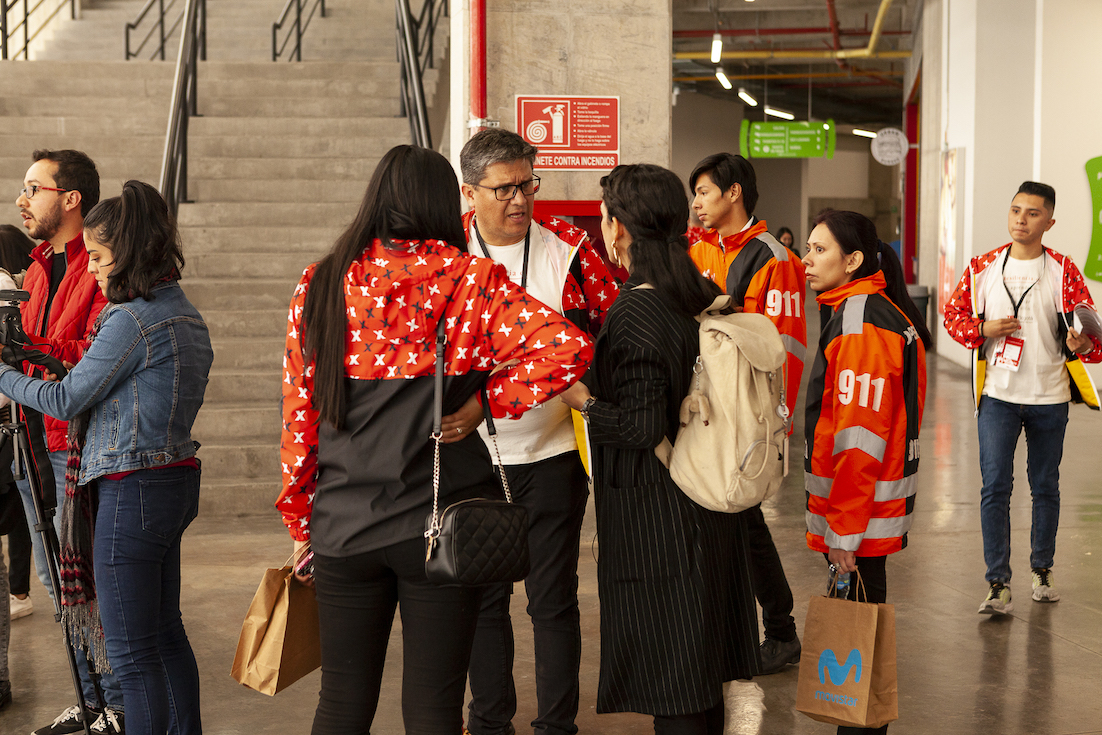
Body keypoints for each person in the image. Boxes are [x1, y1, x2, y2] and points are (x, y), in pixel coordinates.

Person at [276, 144, 592, 735]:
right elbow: (568, 348)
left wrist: (302, 521)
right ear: (447, 203)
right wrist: (484, 403)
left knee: (342, 700)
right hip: (441, 525)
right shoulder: (471, 280)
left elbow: (301, 416)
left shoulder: (320, 284)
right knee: (434, 707)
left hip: (344, 523)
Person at [0, 180, 213, 735]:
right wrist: (32, 354)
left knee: (131, 652)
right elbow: (91, 369)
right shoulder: (180, 312)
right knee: (165, 635)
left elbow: (68, 398)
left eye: (98, 257)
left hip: (132, 488)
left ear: (130, 252)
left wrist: (3, 375)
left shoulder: (132, 319)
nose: (91, 269)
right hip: (169, 481)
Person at [560, 164, 760, 735]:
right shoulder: (690, 293)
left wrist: (582, 400)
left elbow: (643, 425)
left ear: (618, 227)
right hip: (705, 501)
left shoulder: (638, 309)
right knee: (698, 675)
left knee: (674, 680)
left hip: (662, 520)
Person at [456, 128, 618, 735]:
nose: (520, 199)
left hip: (553, 456)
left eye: (528, 183)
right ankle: (490, 721)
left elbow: (603, 338)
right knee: (484, 602)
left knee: (553, 601)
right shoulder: (447, 257)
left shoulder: (568, 253)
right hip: (474, 461)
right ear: (470, 193)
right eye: (504, 189)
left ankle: (557, 726)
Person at [943, 181, 1101, 614]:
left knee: (1045, 487)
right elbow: (952, 315)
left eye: (1032, 213)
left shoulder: (1063, 270)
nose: (1020, 219)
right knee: (995, 487)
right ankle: (998, 582)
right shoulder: (984, 267)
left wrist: (1082, 344)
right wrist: (982, 330)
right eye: (1015, 210)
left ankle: (1042, 568)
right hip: (997, 395)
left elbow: (1093, 336)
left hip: (1049, 397)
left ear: (1049, 222)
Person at [802, 209, 929, 735]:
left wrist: (844, 533)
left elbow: (860, 438)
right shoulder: (869, 311)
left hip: (860, 518)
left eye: (819, 250)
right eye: (808, 248)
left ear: (853, 261)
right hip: (868, 515)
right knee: (863, 638)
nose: (807, 260)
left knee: (856, 642)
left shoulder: (860, 323)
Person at [12, 150, 124, 735]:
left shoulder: (101, 265)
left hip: (77, 442)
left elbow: (91, 359)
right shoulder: (34, 268)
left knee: (89, 578)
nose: (21, 199)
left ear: (71, 198)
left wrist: (20, 361)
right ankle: (89, 700)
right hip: (31, 437)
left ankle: (115, 703)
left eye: (34, 187)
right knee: (59, 579)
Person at [688, 152, 807, 675]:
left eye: (705, 193)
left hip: (746, 414)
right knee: (733, 521)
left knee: (743, 520)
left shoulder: (772, 258)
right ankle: (767, 630)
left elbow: (780, 350)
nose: (696, 205)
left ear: (734, 193)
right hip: (703, 407)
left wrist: (772, 425)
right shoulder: (697, 250)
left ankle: (778, 630)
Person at [0, 224, 35, 623]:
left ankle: (20, 590)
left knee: (19, 505)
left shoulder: (14, 294)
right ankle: (20, 590)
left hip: (15, 414)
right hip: (18, 411)